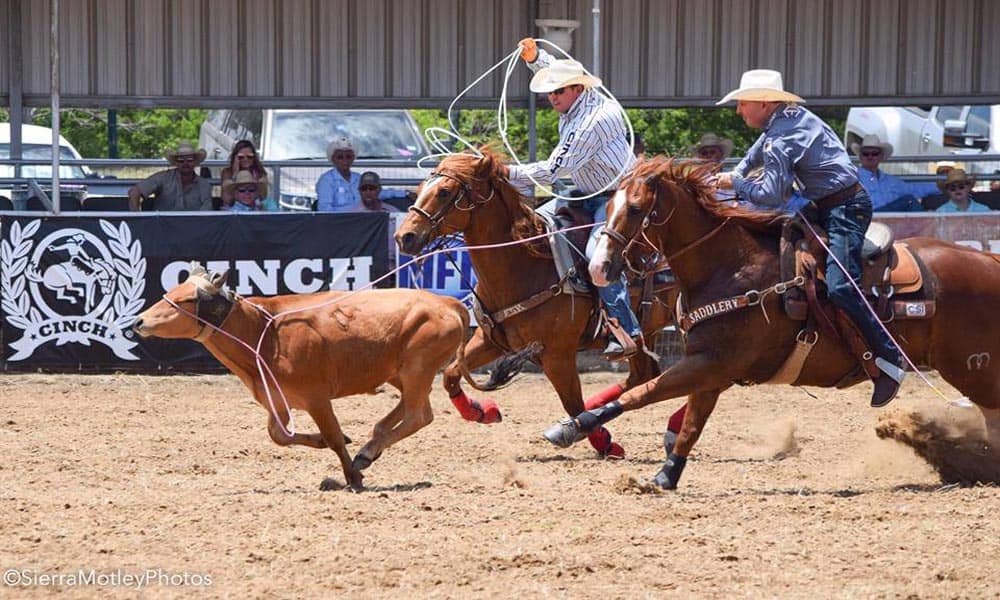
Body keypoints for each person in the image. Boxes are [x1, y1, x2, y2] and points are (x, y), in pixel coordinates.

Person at [713, 69, 905, 408]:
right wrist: (734, 174)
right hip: (828, 204)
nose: (739, 110)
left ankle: (889, 359)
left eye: (743, 103)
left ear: (763, 103)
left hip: (845, 209)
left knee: (843, 286)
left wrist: (734, 184)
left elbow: (770, 195)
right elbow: (753, 155)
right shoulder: (786, 119)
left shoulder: (780, 139)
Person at [511, 38, 643, 360]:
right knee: (531, 228)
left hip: (617, 197)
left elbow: (554, 170)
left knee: (598, 261)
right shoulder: (581, 98)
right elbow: (554, 70)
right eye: (550, 91)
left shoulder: (592, 123)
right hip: (585, 192)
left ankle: (626, 331)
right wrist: (534, 57)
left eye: (558, 92)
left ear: (577, 90)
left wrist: (501, 171)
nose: (551, 97)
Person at [316, 136, 413, 213]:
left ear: (353, 158)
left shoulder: (358, 178)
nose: (345, 160)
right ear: (333, 159)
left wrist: (406, 193)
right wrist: (352, 212)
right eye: (340, 157)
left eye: (348, 156)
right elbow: (325, 210)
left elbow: (380, 192)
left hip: (364, 219)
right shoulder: (327, 180)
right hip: (340, 222)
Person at [851, 134, 937, 212]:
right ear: (860, 156)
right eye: (866, 153)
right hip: (865, 219)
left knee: (910, 201)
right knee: (908, 201)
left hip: (890, 221)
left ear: (881, 156)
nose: (870, 157)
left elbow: (914, 189)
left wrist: (941, 185)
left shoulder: (891, 181)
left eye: (875, 153)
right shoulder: (853, 179)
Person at [128, 142, 213, 211]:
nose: (185, 163)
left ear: (195, 162)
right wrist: (137, 217)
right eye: (181, 160)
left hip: (193, 227)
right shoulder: (163, 177)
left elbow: (206, 214)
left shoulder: (204, 185)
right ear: (176, 163)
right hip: (162, 228)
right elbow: (134, 192)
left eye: (190, 160)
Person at [220, 140, 270, 209]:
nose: (245, 159)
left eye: (249, 156)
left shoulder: (260, 172)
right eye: (241, 157)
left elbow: (264, 198)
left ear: (254, 157)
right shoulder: (227, 172)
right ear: (235, 158)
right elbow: (227, 200)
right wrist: (235, 173)